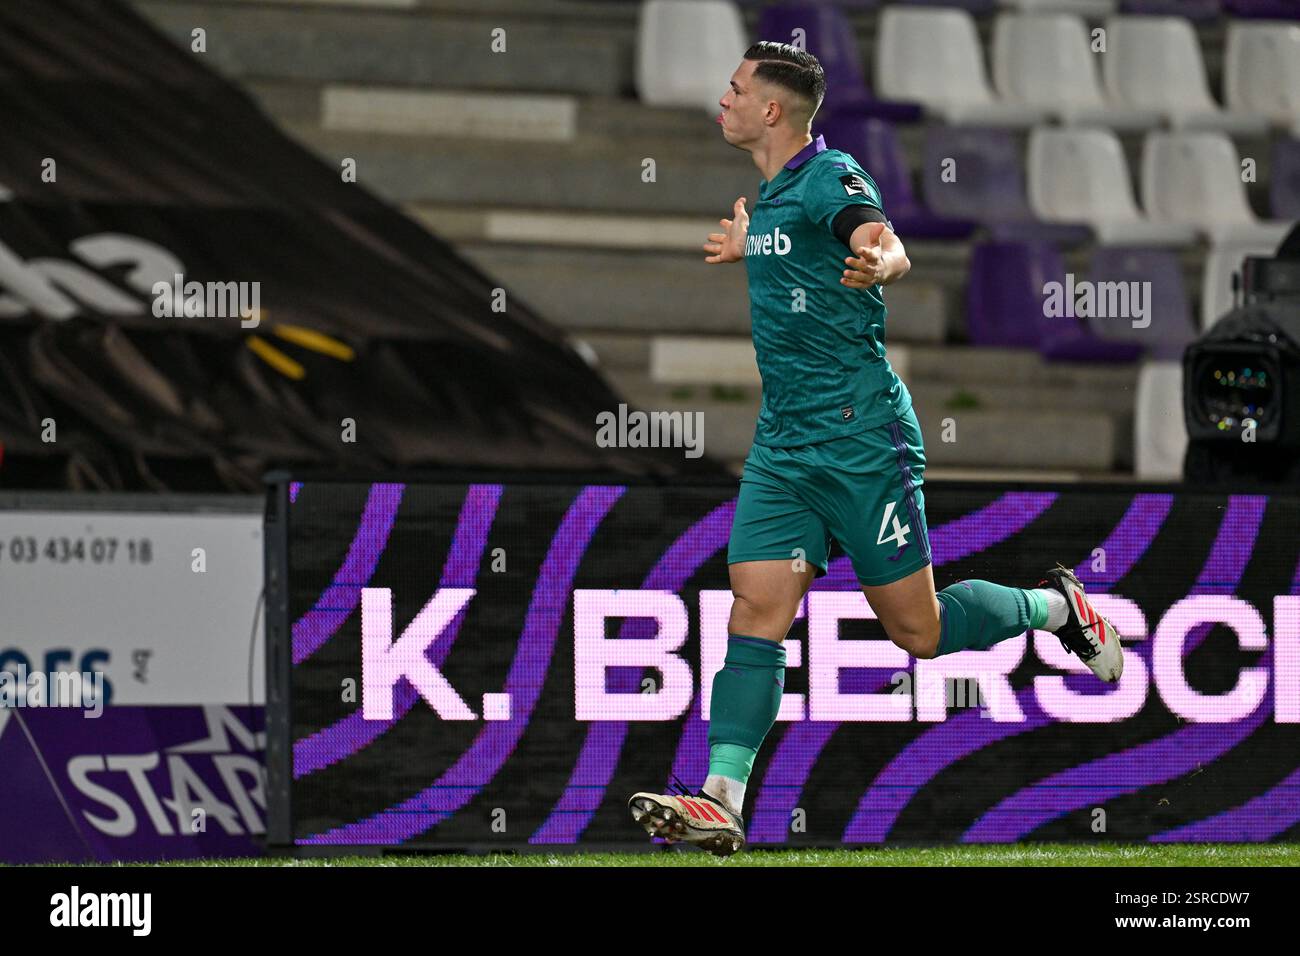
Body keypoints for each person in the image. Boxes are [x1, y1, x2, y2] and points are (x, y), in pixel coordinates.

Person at [628, 43, 1124, 857]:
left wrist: (883, 261)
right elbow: (803, 265)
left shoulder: (830, 176)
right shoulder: (774, 196)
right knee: (755, 609)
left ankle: (1058, 607)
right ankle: (721, 796)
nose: (723, 99)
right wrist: (749, 249)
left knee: (918, 634)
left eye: (735, 89)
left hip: (862, 438)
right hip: (786, 444)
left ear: (773, 110)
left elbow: (881, 239)